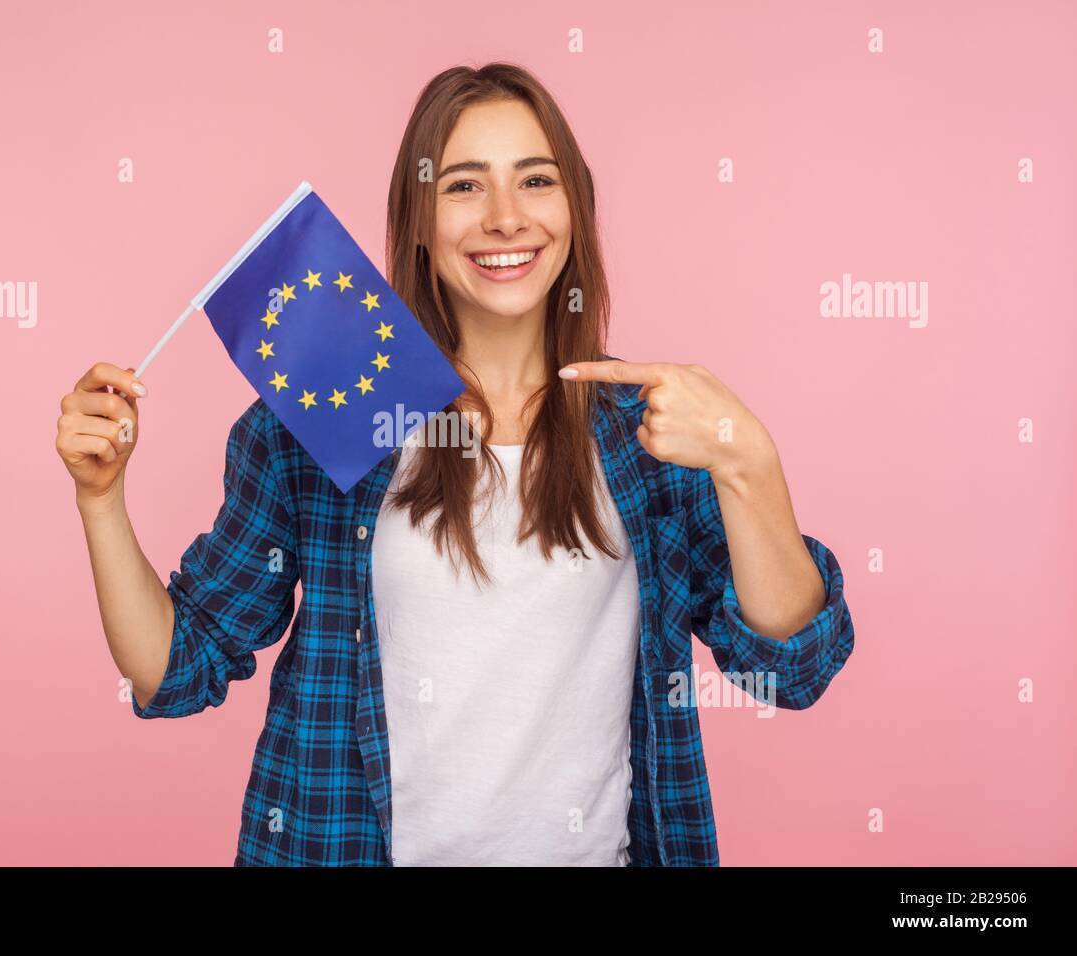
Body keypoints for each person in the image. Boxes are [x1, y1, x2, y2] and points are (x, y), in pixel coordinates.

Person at [54, 62, 856, 866]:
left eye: (535, 180)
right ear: (419, 224)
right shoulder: (332, 418)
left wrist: (749, 461)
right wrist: (101, 501)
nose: (507, 219)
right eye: (465, 187)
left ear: (574, 207)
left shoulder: (652, 436)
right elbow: (178, 666)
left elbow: (790, 671)